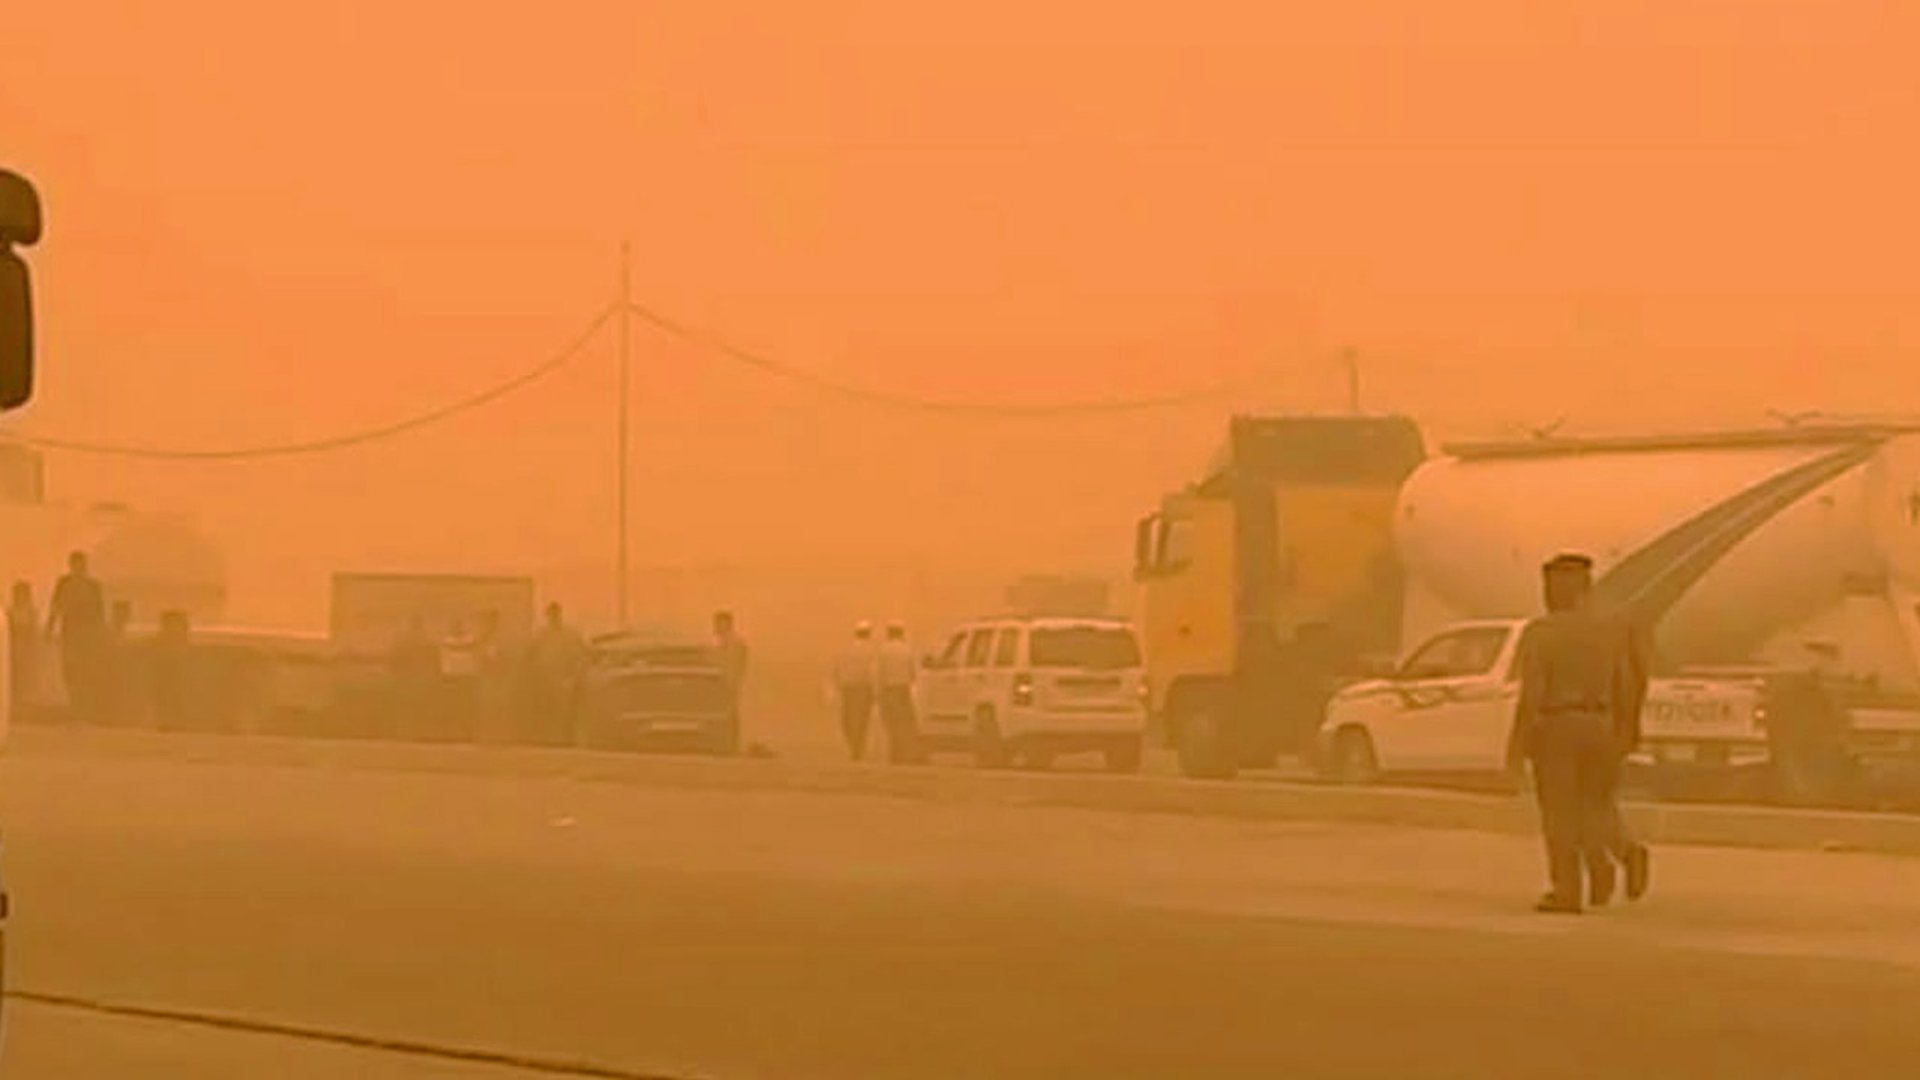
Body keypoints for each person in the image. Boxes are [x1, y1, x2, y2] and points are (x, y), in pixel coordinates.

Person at [1506, 553, 1638, 914]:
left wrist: (1518, 746)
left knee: (1559, 814)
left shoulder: (1542, 633)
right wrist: (1625, 731)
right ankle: (1612, 861)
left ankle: (1567, 890)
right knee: (1595, 806)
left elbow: (1533, 692)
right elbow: (1625, 682)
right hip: (1601, 725)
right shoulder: (1611, 630)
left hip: (1558, 727)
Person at [46, 551, 107, 723]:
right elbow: (55, 606)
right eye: (75, 564)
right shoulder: (64, 584)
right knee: (70, 670)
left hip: (86, 635)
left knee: (84, 671)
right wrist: (49, 629)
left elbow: (99, 614)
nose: (78, 568)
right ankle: (75, 705)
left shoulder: (93, 587)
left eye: (80, 564)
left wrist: (99, 636)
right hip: (70, 633)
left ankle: (82, 707)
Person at [524, 602, 586, 745]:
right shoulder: (541, 635)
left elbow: (580, 658)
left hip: (564, 682)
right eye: (550, 615)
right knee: (547, 713)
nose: (552, 618)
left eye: (555, 614)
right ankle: (548, 741)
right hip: (545, 682)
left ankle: (565, 742)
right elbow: (530, 656)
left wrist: (572, 679)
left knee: (565, 715)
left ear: (559, 615)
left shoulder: (570, 635)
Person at [876, 622, 922, 764]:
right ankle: (907, 753)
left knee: (892, 723)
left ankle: (895, 753)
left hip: (889, 690)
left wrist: (879, 692)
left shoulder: (883, 651)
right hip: (904, 690)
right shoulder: (907, 650)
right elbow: (914, 672)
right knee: (906, 723)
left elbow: (879, 673)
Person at [833, 622, 878, 760]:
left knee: (848, 719)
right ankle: (858, 747)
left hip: (848, 688)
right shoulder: (872, 650)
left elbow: (837, 669)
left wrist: (839, 685)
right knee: (862, 720)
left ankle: (854, 745)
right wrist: (875, 691)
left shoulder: (846, 649)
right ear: (869, 634)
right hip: (864, 688)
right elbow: (874, 672)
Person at [712, 610, 748, 754]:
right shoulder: (724, 642)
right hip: (724, 683)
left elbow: (736, 664)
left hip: (727, 683)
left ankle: (730, 745)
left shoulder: (734, 642)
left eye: (719, 624)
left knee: (728, 713)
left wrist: (731, 680)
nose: (715, 627)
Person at [7, 582, 39, 720]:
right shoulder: (10, 611)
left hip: (26, 648)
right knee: (13, 678)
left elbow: (32, 631)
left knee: (25, 678)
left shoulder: (31, 612)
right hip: (13, 648)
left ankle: (24, 709)